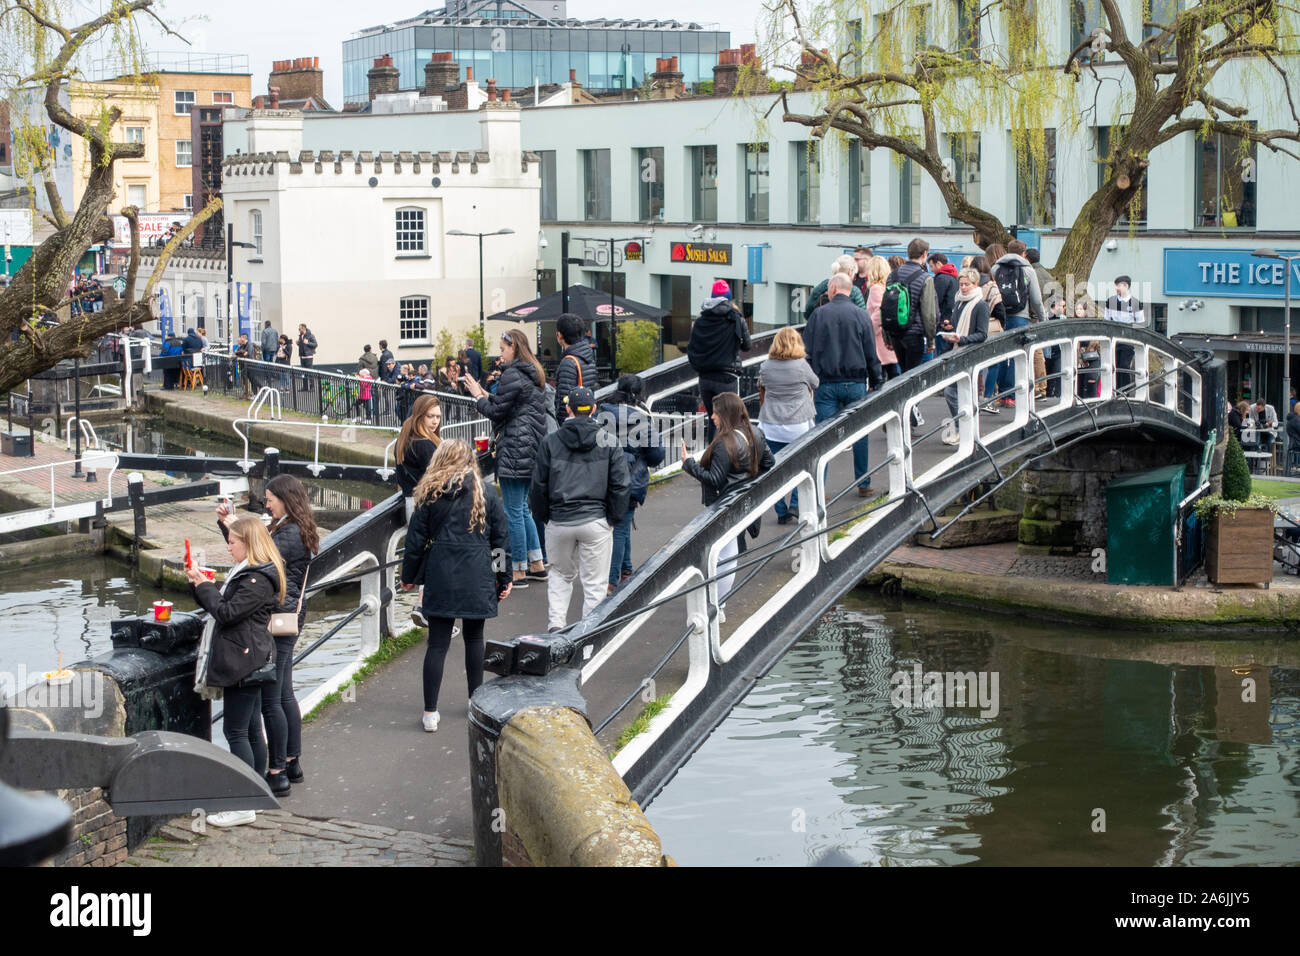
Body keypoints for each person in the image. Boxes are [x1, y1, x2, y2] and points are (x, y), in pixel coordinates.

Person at [400, 440, 512, 733]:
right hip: (478, 574)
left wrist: (409, 576)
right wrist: (504, 577)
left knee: (437, 644)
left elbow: (415, 541)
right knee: (475, 639)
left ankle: (430, 713)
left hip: (441, 573)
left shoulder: (429, 494)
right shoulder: (485, 492)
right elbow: (500, 538)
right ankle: (476, 701)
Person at [216, 477, 317, 794]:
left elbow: (259, 555)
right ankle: (291, 762)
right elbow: (252, 551)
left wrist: (236, 523)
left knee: (273, 700)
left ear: (287, 499)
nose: (267, 503)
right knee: (283, 693)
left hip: (277, 622)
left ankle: (279, 771)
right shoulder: (294, 528)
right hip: (287, 618)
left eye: (271, 498)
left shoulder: (289, 534)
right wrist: (230, 529)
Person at [188, 516, 284, 827]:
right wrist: (200, 585)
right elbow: (223, 606)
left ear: (248, 542)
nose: (228, 547)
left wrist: (205, 587)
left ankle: (243, 803)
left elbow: (227, 613)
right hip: (250, 656)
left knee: (236, 731)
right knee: (252, 729)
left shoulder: (256, 579)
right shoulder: (253, 573)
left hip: (244, 660)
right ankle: (256, 793)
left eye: (232, 542)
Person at [530, 387, 629, 630]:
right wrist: (612, 518)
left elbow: (538, 485)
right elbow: (620, 484)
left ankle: (555, 627)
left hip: (559, 519)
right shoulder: (609, 441)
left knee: (560, 575)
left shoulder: (550, 442)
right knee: (595, 584)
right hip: (596, 520)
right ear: (594, 409)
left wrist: (545, 517)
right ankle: (588, 636)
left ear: (568, 409)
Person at [461, 329, 548, 587]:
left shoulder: (512, 374)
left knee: (512, 511)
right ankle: (537, 564)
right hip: (531, 448)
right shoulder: (533, 372)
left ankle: (519, 570)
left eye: (502, 349)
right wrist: (485, 393)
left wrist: (478, 396)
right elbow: (509, 402)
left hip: (514, 449)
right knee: (522, 508)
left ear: (514, 348)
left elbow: (498, 412)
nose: (500, 354)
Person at [680, 392, 775, 611]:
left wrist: (689, 464)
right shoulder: (756, 434)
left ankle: (716, 605)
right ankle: (717, 602)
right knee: (728, 554)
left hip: (724, 505)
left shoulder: (724, 443)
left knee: (724, 556)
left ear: (725, 414)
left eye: (715, 412)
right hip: (744, 501)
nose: (712, 417)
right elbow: (770, 463)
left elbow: (714, 479)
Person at [803, 273, 884, 497]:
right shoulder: (860, 315)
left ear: (832, 288)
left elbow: (807, 353)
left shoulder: (818, 315)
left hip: (825, 383)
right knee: (860, 432)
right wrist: (876, 381)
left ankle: (820, 486)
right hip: (856, 382)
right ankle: (863, 483)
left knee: (823, 437)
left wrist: (810, 382)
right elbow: (871, 353)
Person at [596, 375, 664, 592]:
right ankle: (611, 582)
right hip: (631, 481)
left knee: (620, 527)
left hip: (603, 479)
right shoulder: (642, 419)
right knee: (620, 528)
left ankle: (625, 570)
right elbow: (656, 455)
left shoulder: (602, 414)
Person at [759, 328, 819, 523]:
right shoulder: (801, 365)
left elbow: (762, 384)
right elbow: (815, 383)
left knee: (774, 470)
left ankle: (781, 511)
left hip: (772, 425)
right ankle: (795, 504)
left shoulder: (766, 366)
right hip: (798, 425)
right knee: (800, 465)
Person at [688, 279, 753, 442]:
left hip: (705, 379)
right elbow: (747, 346)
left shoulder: (700, 320)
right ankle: (724, 460)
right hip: (727, 377)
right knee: (728, 422)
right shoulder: (735, 318)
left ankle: (712, 458)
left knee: (714, 421)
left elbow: (692, 348)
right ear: (729, 298)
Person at [937, 269, 990, 444]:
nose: (964, 288)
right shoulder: (958, 302)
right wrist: (949, 329)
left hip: (969, 352)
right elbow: (958, 325)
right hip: (957, 350)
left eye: (967, 284)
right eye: (961, 284)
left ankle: (963, 428)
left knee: (953, 391)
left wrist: (963, 339)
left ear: (975, 284)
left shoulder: (980, 305)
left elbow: (982, 334)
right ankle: (965, 428)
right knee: (958, 391)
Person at [882, 238, 938, 374]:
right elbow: (929, 313)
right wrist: (931, 340)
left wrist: (887, 337)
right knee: (912, 376)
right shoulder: (925, 278)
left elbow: (886, 307)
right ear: (925, 253)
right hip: (914, 334)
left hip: (895, 333)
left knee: (902, 374)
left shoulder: (892, 276)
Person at [396, 393, 443, 517]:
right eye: (430, 416)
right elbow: (437, 480)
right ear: (420, 416)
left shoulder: (404, 438)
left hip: (411, 501)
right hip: (425, 505)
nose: (435, 421)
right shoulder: (424, 444)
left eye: (438, 417)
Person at [1104, 275, 1146, 394]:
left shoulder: (1136, 303)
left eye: (1118, 286)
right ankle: (1116, 391)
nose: (1116, 288)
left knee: (1124, 366)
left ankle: (1126, 392)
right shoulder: (1110, 301)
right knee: (1115, 366)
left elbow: (1140, 324)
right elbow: (1107, 320)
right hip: (1114, 339)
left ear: (1126, 286)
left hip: (1128, 340)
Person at [554, 313, 597, 423]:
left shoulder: (568, 362)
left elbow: (565, 401)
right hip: (586, 418)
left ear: (559, 335)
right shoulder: (588, 356)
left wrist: (561, 426)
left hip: (572, 425)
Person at [864, 256, 900, 379]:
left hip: (879, 340)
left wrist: (868, 330)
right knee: (893, 374)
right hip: (890, 338)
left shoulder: (875, 289)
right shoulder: (888, 287)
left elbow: (879, 312)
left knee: (879, 378)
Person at [805, 254, 869, 318]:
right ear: (850, 271)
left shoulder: (823, 286)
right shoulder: (854, 291)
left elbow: (807, 314)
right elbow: (864, 317)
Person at [927, 253, 959, 353]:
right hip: (951, 319)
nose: (931, 270)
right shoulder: (954, 277)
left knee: (941, 353)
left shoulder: (941, 278)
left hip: (942, 322)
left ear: (939, 264)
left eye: (931, 266)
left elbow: (935, 300)